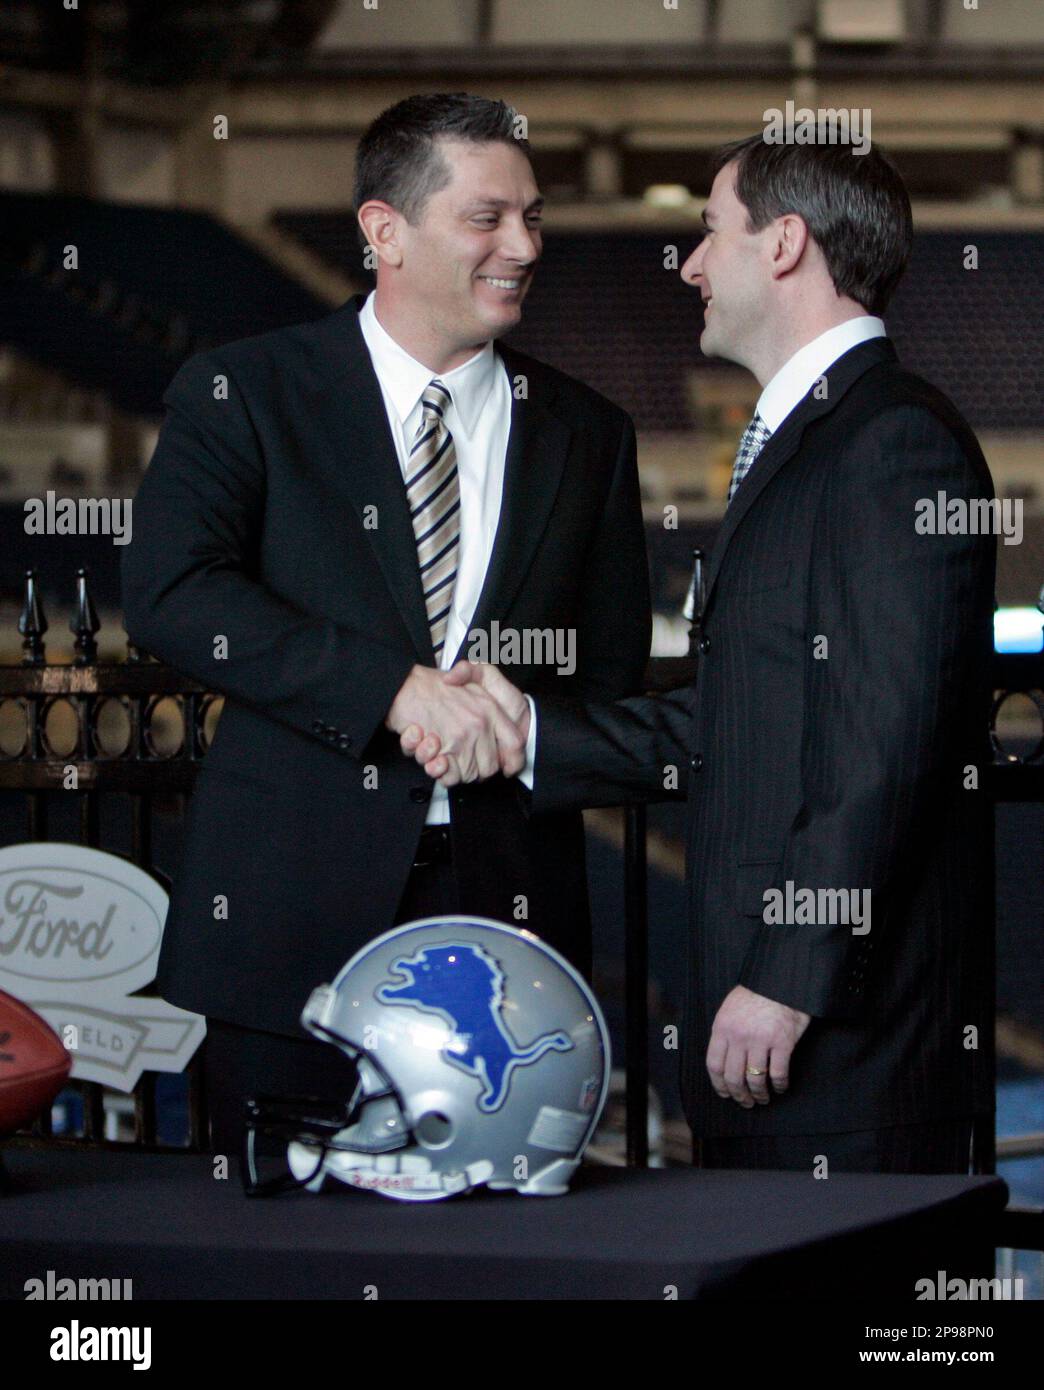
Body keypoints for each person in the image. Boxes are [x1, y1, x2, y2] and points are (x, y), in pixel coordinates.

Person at [403, 134, 997, 1174]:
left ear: (783, 245)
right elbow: (744, 718)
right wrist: (528, 733)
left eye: (710, 232)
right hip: (789, 1062)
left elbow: (885, 741)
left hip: (840, 1058)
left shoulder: (892, 441)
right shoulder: (822, 436)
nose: (687, 265)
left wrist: (790, 979)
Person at [120, 93, 650, 1154]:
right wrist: (393, 690)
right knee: (277, 1263)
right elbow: (173, 593)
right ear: (383, 232)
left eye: (534, 218)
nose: (523, 246)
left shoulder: (590, 431)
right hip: (287, 926)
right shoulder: (248, 390)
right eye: (487, 218)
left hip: (512, 937)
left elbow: (611, 673)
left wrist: (521, 727)